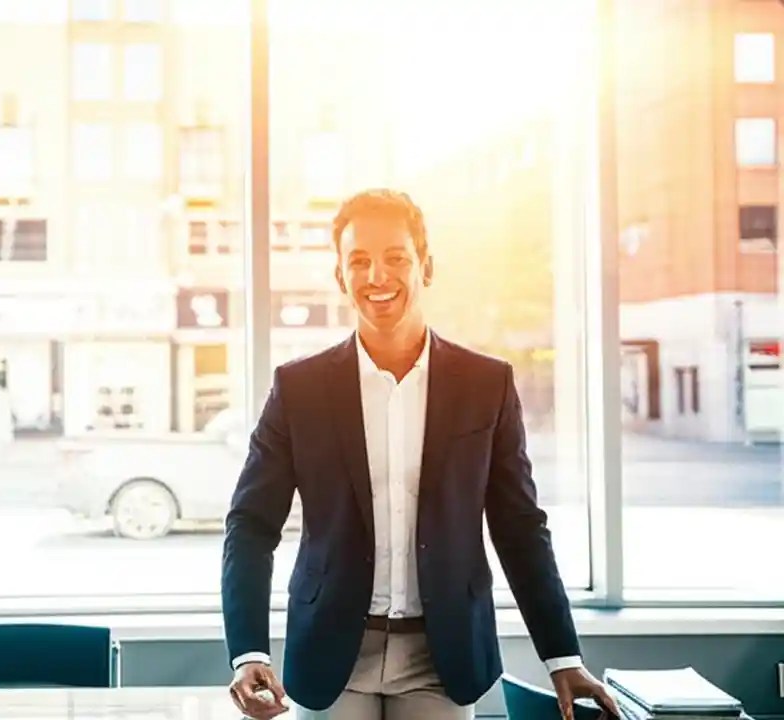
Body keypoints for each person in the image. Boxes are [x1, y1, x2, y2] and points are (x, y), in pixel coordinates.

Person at [221, 190, 620, 720]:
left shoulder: (487, 384)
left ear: (425, 267)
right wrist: (248, 652)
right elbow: (250, 524)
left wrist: (562, 654)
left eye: (395, 258)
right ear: (341, 276)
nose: (376, 276)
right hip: (332, 652)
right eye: (358, 261)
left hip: (444, 654)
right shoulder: (299, 388)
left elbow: (520, 526)